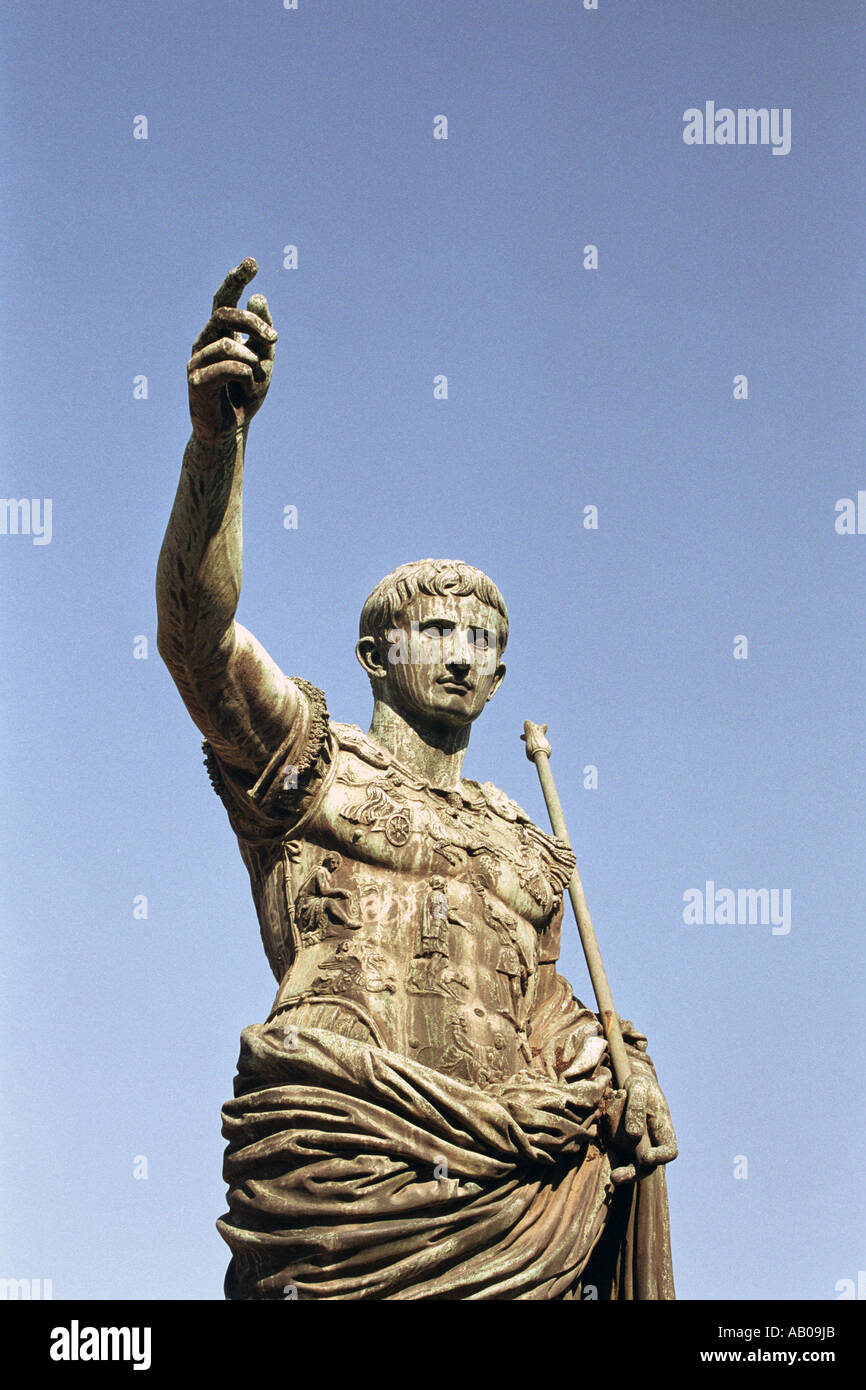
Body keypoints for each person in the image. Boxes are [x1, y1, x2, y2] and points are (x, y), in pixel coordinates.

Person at [157, 259, 677, 1300]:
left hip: (507, 1201)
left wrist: (614, 1064)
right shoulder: (310, 760)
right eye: (433, 629)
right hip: (348, 1182)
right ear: (372, 653)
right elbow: (197, 637)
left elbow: (545, 1009)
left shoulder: (526, 846)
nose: (460, 653)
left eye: (482, 639)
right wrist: (220, 445)